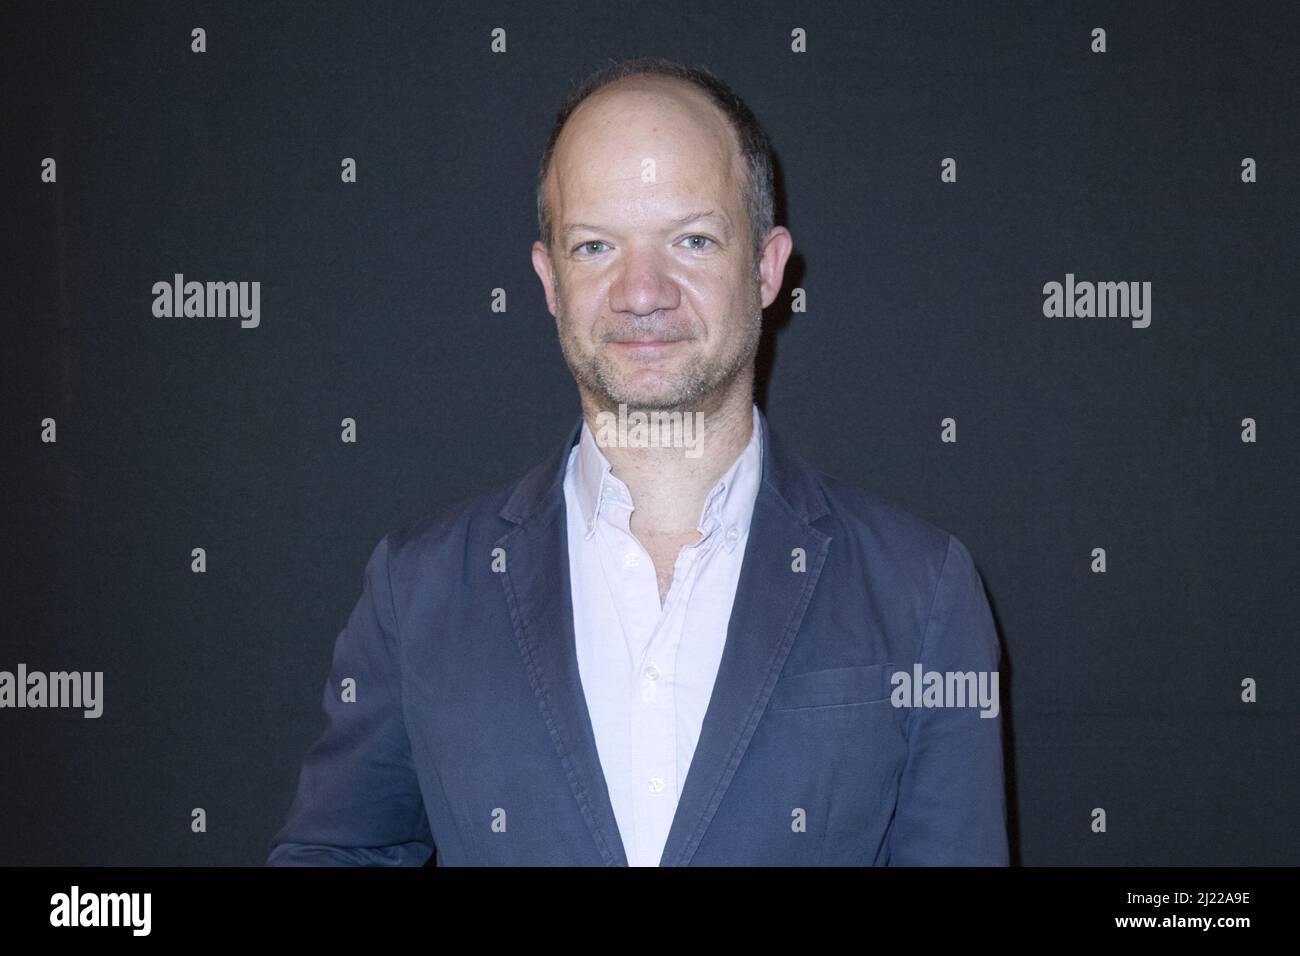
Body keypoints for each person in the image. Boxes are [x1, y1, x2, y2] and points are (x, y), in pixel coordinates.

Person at [268, 56, 1009, 866]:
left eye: (692, 239)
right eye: (595, 247)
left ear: (766, 267)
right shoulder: (418, 590)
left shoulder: (922, 589)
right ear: (550, 281)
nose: (642, 291)